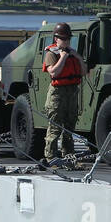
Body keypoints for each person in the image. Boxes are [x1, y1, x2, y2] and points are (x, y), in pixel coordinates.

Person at [42, 22, 84, 160]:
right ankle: (51, 157)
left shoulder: (73, 53)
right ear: (56, 39)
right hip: (57, 94)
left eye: (68, 39)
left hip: (71, 92)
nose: (66, 41)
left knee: (69, 127)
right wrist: (63, 57)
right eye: (63, 39)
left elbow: (83, 71)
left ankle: (68, 156)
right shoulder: (51, 53)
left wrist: (77, 57)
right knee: (55, 127)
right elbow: (53, 73)